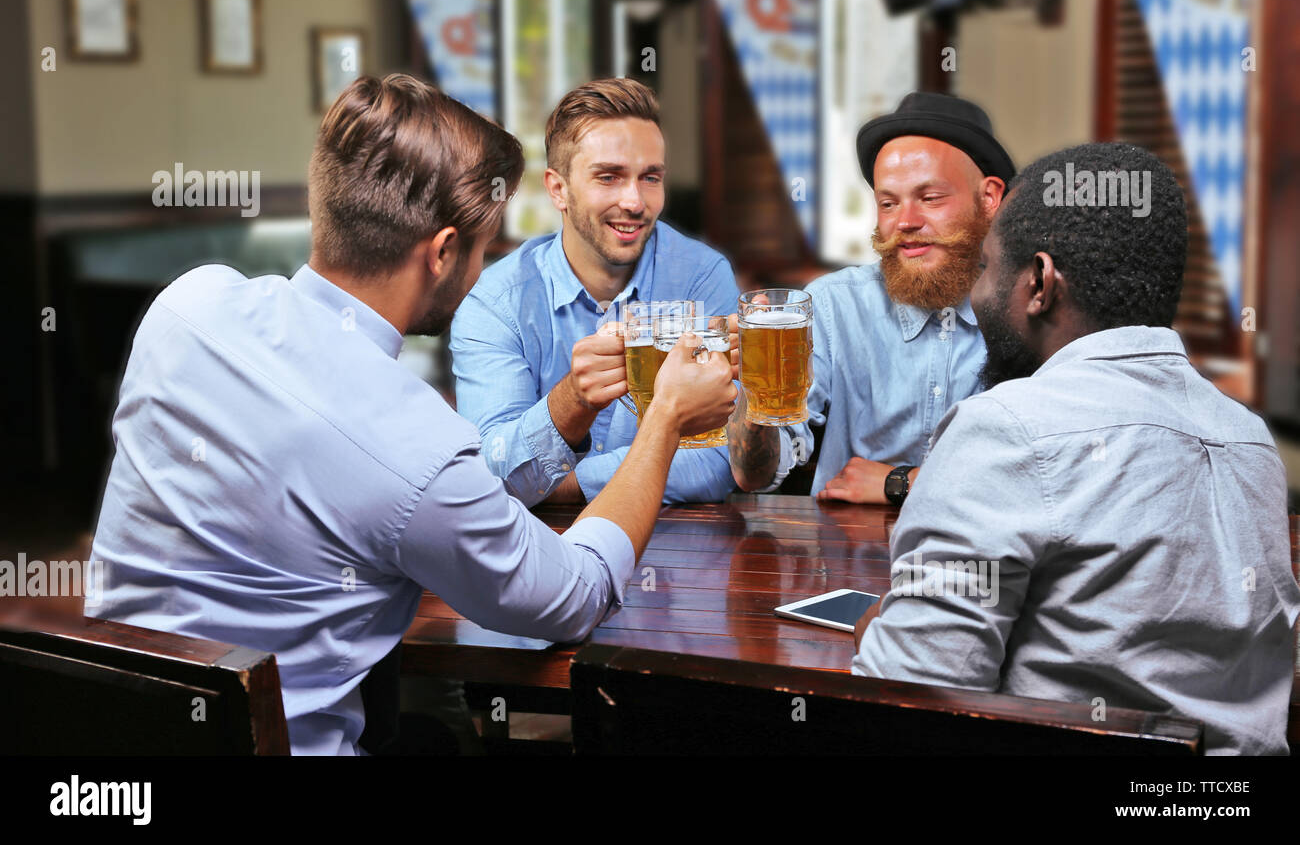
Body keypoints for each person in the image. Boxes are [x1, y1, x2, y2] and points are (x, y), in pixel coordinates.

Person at [85, 74, 737, 755]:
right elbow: (575, 596)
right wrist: (663, 421)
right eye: (483, 246)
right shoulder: (414, 449)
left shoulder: (186, 307)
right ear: (443, 253)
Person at [852, 142, 1300, 755]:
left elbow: (909, 704)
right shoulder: (1250, 441)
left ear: (1037, 282)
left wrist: (877, 632)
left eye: (986, 270)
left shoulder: (1006, 429)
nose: (977, 297)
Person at [450, 77, 741, 506]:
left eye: (650, 177)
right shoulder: (496, 302)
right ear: (558, 189)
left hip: (680, 551)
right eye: (609, 177)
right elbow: (489, 474)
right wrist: (570, 402)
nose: (635, 202)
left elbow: (720, 460)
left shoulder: (700, 275)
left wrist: (563, 485)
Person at [727, 91, 1013, 505]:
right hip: (844, 560)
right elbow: (754, 477)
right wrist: (758, 396)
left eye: (930, 198)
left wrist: (901, 482)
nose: (907, 222)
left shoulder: (1029, 310)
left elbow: (1042, 472)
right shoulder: (831, 306)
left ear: (988, 198)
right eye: (888, 203)